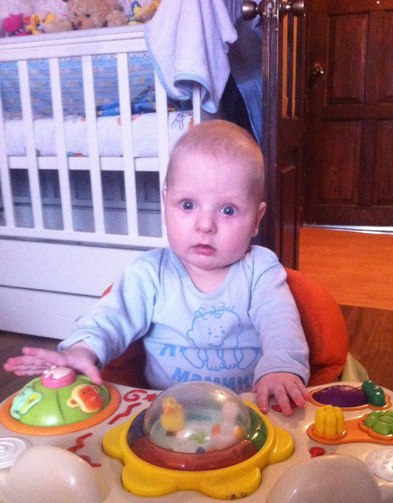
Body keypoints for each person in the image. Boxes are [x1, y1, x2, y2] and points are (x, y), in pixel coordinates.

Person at [4, 120, 310, 416]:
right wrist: (82, 351)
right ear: (166, 205)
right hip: (165, 414)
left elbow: (280, 324)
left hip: (248, 411)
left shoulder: (260, 269)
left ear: (256, 220)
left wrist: (280, 369)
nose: (205, 225)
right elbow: (110, 319)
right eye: (187, 205)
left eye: (228, 210)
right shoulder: (150, 273)